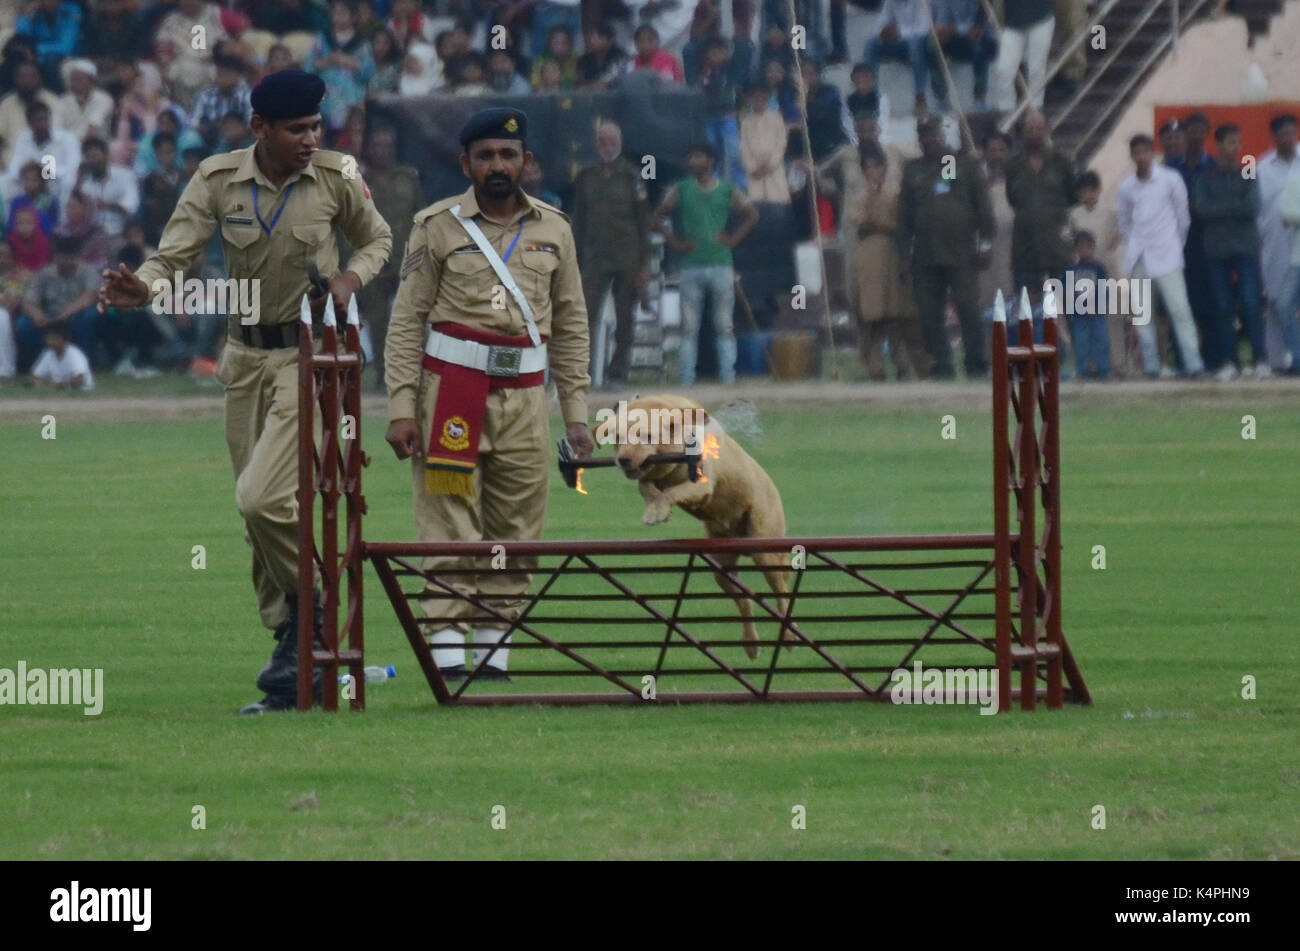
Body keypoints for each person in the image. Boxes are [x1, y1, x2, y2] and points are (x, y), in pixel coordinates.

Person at [96, 70, 394, 714]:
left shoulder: (338, 176)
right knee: (254, 515)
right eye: (297, 129)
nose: (310, 139)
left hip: (309, 356)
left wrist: (349, 278)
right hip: (242, 360)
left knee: (261, 500)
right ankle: (297, 649)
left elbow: (378, 239)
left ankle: (309, 616)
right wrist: (145, 288)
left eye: (316, 126)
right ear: (260, 128)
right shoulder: (216, 179)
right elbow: (172, 257)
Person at [382, 107, 593, 682]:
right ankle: (449, 662)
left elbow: (572, 326)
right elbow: (407, 322)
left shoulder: (556, 229)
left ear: (526, 162)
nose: (497, 166)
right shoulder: (436, 226)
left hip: (526, 400)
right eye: (485, 156)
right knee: (448, 528)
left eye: (508, 155)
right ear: (466, 164)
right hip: (451, 393)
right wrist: (401, 407)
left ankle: (495, 662)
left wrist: (576, 414)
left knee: (517, 532)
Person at [897, 115, 996, 379]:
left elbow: (984, 210)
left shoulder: (963, 165)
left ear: (944, 136)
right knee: (929, 315)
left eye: (935, 135)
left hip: (962, 252)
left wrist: (985, 244)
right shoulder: (913, 170)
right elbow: (904, 217)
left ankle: (976, 365)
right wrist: (903, 257)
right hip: (925, 256)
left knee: (968, 309)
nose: (931, 140)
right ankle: (941, 367)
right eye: (925, 136)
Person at [652, 142, 759, 385]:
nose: (692, 162)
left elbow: (752, 215)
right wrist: (675, 243)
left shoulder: (727, 190)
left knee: (724, 326)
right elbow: (656, 216)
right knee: (689, 328)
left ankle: (727, 378)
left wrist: (732, 240)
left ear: (711, 161)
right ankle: (686, 378)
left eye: (698, 157)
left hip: (720, 264)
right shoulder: (681, 189)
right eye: (690, 157)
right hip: (691, 265)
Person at [1115, 134, 1205, 378]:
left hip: (1168, 254)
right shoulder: (1126, 187)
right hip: (1140, 256)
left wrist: (1175, 244)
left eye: (1145, 151)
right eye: (1137, 152)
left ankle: (1194, 364)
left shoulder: (1169, 179)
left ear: (1152, 153)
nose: (1141, 156)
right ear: (1132, 156)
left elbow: (1183, 218)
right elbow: (1123, 222)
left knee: (1180, 310)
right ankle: (1151, 367)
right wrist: (1138, 241)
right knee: (1143, 315)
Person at [571, 120, 652, 385]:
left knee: (625, 318)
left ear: (620, 143)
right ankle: (582, 372)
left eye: (612, 142)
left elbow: (644, 223)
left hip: (627, 256)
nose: (608, 147)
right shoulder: (586, 177)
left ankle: (618, 372)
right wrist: (574, 258)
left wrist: (645, 265)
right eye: (603, 142)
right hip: (594, 256)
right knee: (584, 315)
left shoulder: (632, 176)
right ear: (596, 144)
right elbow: (579, 221)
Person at [847, 146, 929, 380]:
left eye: (877, 166)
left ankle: (905, 367)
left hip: (892, 256)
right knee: (870, 316)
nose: (873, 172)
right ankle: (875, 369)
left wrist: (882, 224)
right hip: (868, 256)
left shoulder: (895, 194)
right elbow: (861, 222)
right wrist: (872, 201)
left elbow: (898, 224)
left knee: (896, 315)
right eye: (868, 168)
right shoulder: (859, 198)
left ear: (885, 168)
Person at [1196, 123, 1267, 379]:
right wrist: (1231, 207)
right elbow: (1203, 210)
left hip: (1245, 247)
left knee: (1250, 304)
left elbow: (1251, 207)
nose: (1236, 147)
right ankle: (1229, 362)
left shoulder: (1248, 171)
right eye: (1230, 142)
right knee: (1223, 307)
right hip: (1216, 250)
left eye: (1238, 142)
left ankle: (1260, 359)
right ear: (1218, 145)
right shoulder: (1206, 175)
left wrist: (1222, 209)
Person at [356, 124, 423, 391]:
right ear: (369, 150)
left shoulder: (408, 178)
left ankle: (414, 373)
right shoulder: (360, 182)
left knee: (413, 319)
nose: (383, 151)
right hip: (373, 261)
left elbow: (422, 217)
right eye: (377, 146)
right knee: (378, 320)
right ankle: (383, 374)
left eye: (388, 145)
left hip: (407, 258)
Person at [1068, 170, 1132, 377]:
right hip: (1084, 275)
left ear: (1098, 190)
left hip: (1107, 271)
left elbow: (1120, 234)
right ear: (1078, 193)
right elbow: (1069, 240)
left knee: (1113, 318)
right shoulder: (1074, 215)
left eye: (1092, 190)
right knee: (1086, 321)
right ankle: (1091, 366)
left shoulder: (1109, 213)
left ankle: (1118, 364)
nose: (1088, 194)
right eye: (1084, 191)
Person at [1005, 110, 1075, 293]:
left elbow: (1072, 196)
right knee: (1027, 310)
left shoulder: (1062, 162)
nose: (1034, 133)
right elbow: (1012, 200)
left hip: (1057, 247)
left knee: (1068, 305)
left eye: (1038, 129)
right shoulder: (1013, 166)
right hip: (1025, 249)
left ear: (1047, 131)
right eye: (1029, 129)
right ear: (1022, 134)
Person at [16, 235, 100, 372]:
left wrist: (66, 314)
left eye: (71, 257)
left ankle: (84, 363)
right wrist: (37, 315)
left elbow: (90, 296)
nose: (67, 261)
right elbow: (28, 300)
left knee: (87, 317)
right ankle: (39, 364)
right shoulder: (43, 274)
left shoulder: (88, 272)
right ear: (55, 257)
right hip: (49, 315)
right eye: (63, 256)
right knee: (23, 325)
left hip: (76, 314)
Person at [1257, 114, 1300, 373]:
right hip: (1274, 244)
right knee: (1276, 303)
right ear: (1274, 137)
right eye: (1282, 134)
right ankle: (1277, 362)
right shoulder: (1261, 167)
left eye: (1291, 132)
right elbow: (1256, 211)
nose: (1288, 138)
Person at [865, 0, 937, 116]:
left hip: (918, 45)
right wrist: (882, 32)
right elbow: (880, 24)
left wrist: (899, 32)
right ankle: (870, 97)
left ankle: (920, 97)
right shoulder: (891, 2)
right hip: (899, 44)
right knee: (872, 44)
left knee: (916, 44)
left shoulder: (922, 2)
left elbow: (923, 29)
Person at [934, 0, 998, 111]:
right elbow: (942, 25)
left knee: (979, 48)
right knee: (933, 47)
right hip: (960, 39)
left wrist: (954, 29)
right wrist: (942, 32)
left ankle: (979, 98)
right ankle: (942, 99)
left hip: (984, 39)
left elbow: (978, 28)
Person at [992, 0, 1055, 111]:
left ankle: (1035, 109)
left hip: (1040, 18)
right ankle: (1006, 110)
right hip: (1012, 22)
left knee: (1036, 69)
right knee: (1003, 70)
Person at [1064, 230, 1109, 380]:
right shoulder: (1072, 270)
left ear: (1093, 247)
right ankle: (1082, 371)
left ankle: (1103, 371)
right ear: (1076, 250)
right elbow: (1066, 289)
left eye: (1087, 248)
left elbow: (1104, 289)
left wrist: (1096, 307)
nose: (1084, 251)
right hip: (1079, 313)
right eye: (1081, 248)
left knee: (1101, 340)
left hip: (1098, 312)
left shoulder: (1099, 269)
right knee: (1081, 342)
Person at [740, 84, 791, 204]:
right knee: (757, 202)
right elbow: (744, 147)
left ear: (768, 99)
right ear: (750, 100)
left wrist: (771, 164)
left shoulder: (776, 117)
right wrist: (752, 168)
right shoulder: (746, 122)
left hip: (773, 167)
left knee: (777, 200)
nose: (759, 102)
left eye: (763, 99)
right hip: (755, 170)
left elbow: (781, 143)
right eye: (756, 99)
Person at [55, 59, 114, 143]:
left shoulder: (104, 100)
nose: (73, 84)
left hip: (94, 148)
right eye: (72, 80)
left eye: (78, 80)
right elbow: (57, 130)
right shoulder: (62, 101)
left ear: (91, 81)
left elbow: (92, 132)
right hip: (67, 148)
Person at [30, 322, 93, 391]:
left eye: (54, 338)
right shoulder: (48, 354)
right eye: (49, 338)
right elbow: (36, 376)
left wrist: (57, 386)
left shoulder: (74, 354)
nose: (50, 342)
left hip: (81, 392)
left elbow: (80, 379)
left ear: (65, 340)